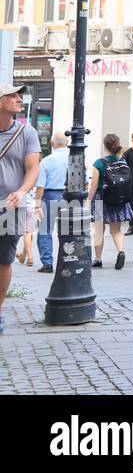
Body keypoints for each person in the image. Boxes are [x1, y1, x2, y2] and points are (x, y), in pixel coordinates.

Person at [0, 83, 41, 335]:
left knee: (3, 261)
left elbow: (33, 168)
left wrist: (23, 191)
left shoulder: (27, 133)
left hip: (11, 207)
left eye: (19, 95)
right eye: (12, 95)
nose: (18, 98)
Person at [87, 134, 133, 270]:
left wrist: (88, 200)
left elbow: (94, 184)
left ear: (105, 146)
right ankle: (121, 251)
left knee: (99, 230)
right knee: (116, 230)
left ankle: (98, 259)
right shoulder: (123, 162)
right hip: (118, 199)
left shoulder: (99, 163)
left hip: (101, 199)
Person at [34, 132, 69, 272]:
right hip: (69, 197)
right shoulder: (75, 159)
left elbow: (40, 185)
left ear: (51, 143)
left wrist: (37, 205)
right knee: (67, 231)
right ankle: (67, 260)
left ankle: (47, 263)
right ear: (66, 143)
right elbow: (83, 182)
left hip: (50, 196)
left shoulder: (47, 161)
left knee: (45, 230)